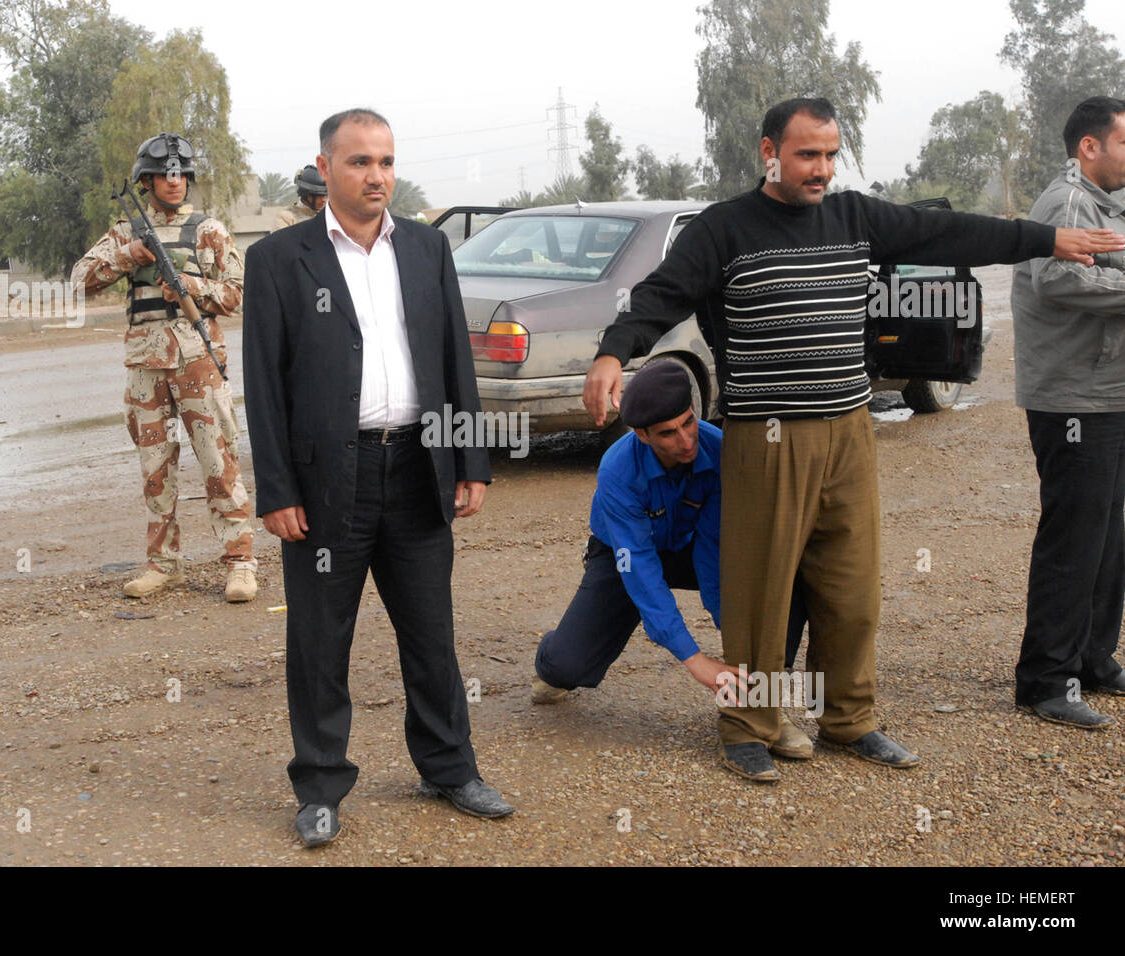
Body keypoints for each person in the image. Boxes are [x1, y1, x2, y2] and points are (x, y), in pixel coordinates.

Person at [581, 97, 1125, 783]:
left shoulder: (854, 217)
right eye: (807, 154)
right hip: (769, 441)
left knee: (851, 589)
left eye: (831, 155)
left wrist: (1044, 239)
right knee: (759, 596)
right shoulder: (725, 229)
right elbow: (660, 295)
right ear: (769, 152)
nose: (822, 169)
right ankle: (749, 724)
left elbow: (950, 233)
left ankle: (848, 718)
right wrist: (612, 353)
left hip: (849, 433)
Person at [242, 108, 513, 847]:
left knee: (431, 633)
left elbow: (454, 358)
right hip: (327, 483)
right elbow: (262, 383)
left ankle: (449, 768)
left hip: (417, 469)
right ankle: (319, 787)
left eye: (386, 161)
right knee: (319, 643)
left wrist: (470, 459)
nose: (376, 176)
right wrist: (277, 489)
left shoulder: (425, 248)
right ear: (325, 168)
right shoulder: (278, 260)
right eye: (360, 161)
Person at [533, 363, 812, 770]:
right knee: (565, 666)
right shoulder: (617, 470)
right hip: (625, 554)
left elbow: (714, 554)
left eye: (688, 423)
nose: (685, 441)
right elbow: (640, 569)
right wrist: (696, 661)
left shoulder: (719, 449)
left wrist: (739, 640)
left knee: (785, 575)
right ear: (641, 435)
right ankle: (553, 652)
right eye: (667, 433)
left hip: (692, 546)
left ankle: (764, 705)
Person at [71, 132, 258, 603]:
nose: (174, 182)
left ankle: (240, 562)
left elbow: (238, 294)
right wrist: (127, 256)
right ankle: (163, 564)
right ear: (147, 181)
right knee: (155, 469)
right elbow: (78, 280)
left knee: (219, 462)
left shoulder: (209, 230)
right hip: (146, 367)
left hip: (199, 361)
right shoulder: (126, 231)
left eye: (180, 174)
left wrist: (193, 287)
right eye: (164, 175)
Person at [1012, 96, 1125, 729]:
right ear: (1090, 146)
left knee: (1108, 535)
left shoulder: (1110, 204)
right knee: (1074, 538)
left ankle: (1093, 659)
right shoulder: (1066, 203)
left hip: (1109, 391)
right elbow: (1059, 279)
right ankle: (1047, 680)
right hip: (1072, 399)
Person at [272, 164, 327, 229]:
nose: (324, 200)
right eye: (319, 196)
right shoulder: (286, 218)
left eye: (326, 195)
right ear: (306, 195)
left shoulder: (327, 217)